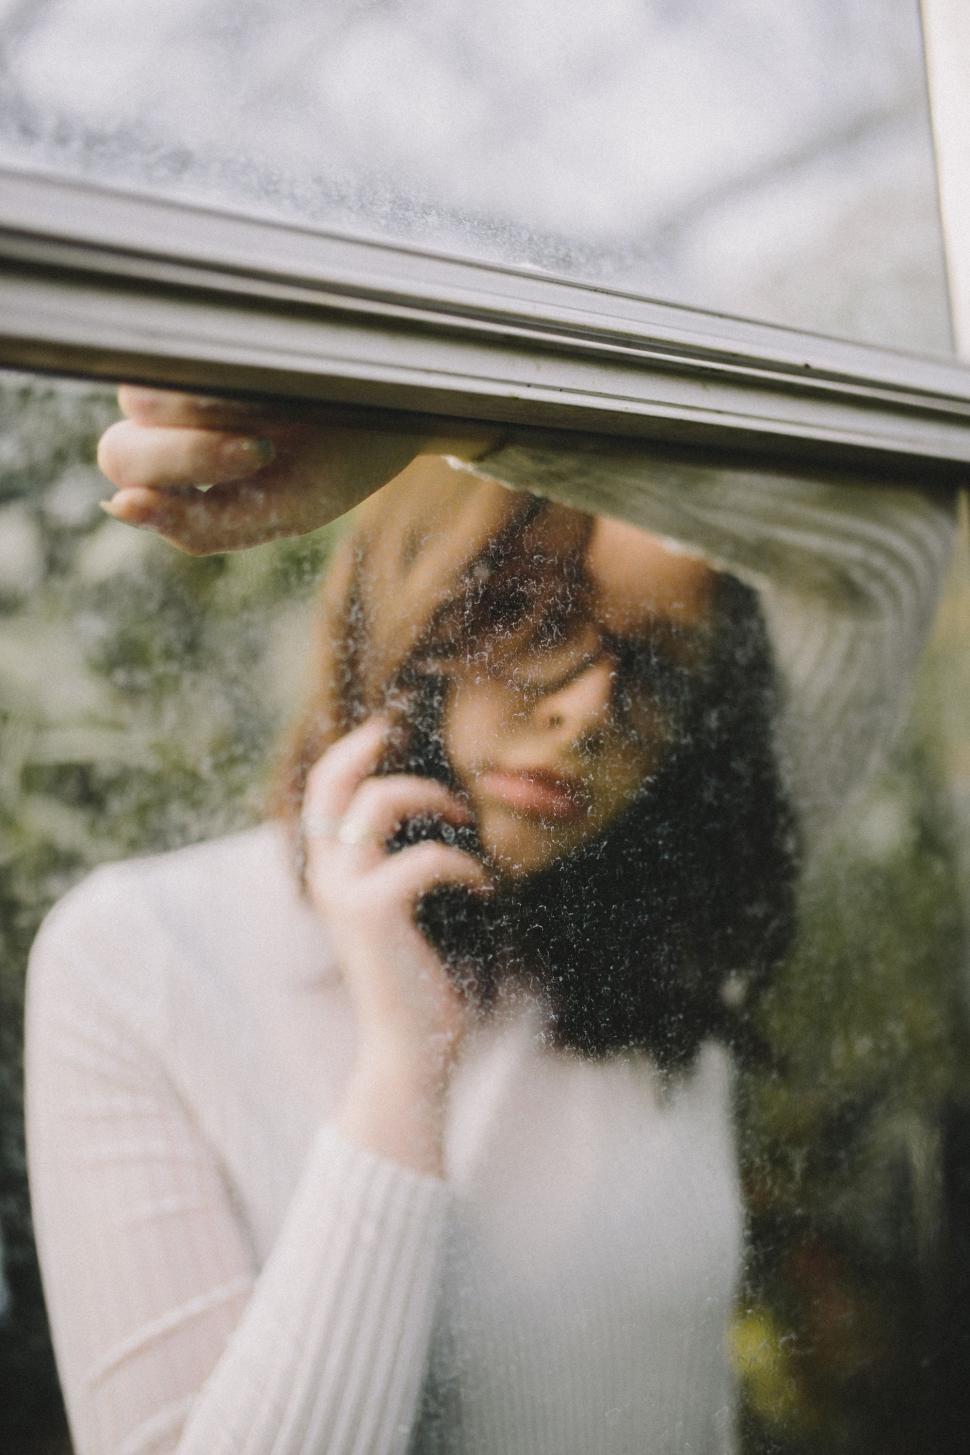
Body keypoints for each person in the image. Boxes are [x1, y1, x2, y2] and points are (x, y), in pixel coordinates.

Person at [25, 390, 954, 1455]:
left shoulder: (660, 910)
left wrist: (437, 427)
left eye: (654, 660)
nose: (588, 709)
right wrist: (399, 1077)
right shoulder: (136, 956)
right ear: (420, 601)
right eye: (540, 619)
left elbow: (894, 535)